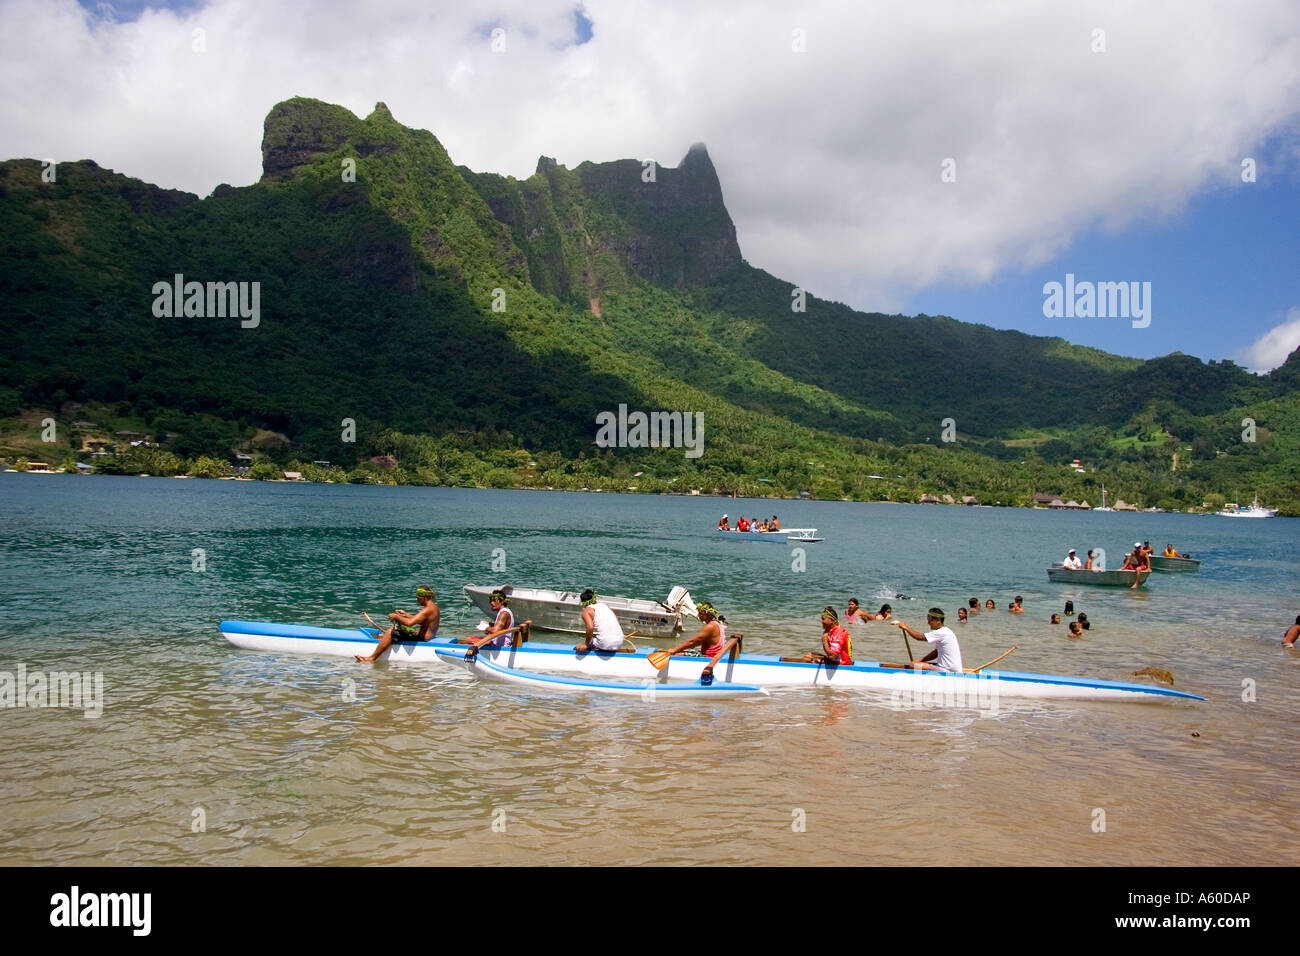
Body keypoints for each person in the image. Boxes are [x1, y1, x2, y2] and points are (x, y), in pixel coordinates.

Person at [357, 586, 440, 662]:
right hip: (427, 638)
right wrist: (405, 614)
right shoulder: (434, 607)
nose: (417, 600)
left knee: (390, 632)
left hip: (421, 639)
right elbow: (420, 620)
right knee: (397, 631)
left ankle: (372, 658)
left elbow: (409, 623)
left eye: (418, 597)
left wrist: (396, 617)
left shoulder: (427, 609)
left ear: (424, 597)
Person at [891, 608, 963, 672]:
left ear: (938, 620)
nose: (928, 623)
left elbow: (919, 637)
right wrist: (920, 660)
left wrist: (905, 627)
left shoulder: (941, 632)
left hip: (947, 670)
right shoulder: (947, 631)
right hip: (953, 669)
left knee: (913, 665)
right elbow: (936, 653)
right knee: (917, 664)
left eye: (931, 620)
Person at [662, 601, 728, 668]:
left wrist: (674, 650)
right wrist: (682, 649)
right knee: (684, 650)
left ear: (707, 614)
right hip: (714, 654)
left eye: (700, 613)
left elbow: (692, 642)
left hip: (710, 657)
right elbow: (698, 642)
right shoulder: (717, 623)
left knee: (676, 654)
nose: (698, 615)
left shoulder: (710, 626)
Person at [575, 588, 626, 652]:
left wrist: (586, 644)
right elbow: (617, 621)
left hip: (606, 644)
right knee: (596, 640)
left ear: (582, 602)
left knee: (588, 643)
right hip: (619, 643)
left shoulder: (587, 611)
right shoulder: (605, 606)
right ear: (595, 599)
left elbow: (590, 628)